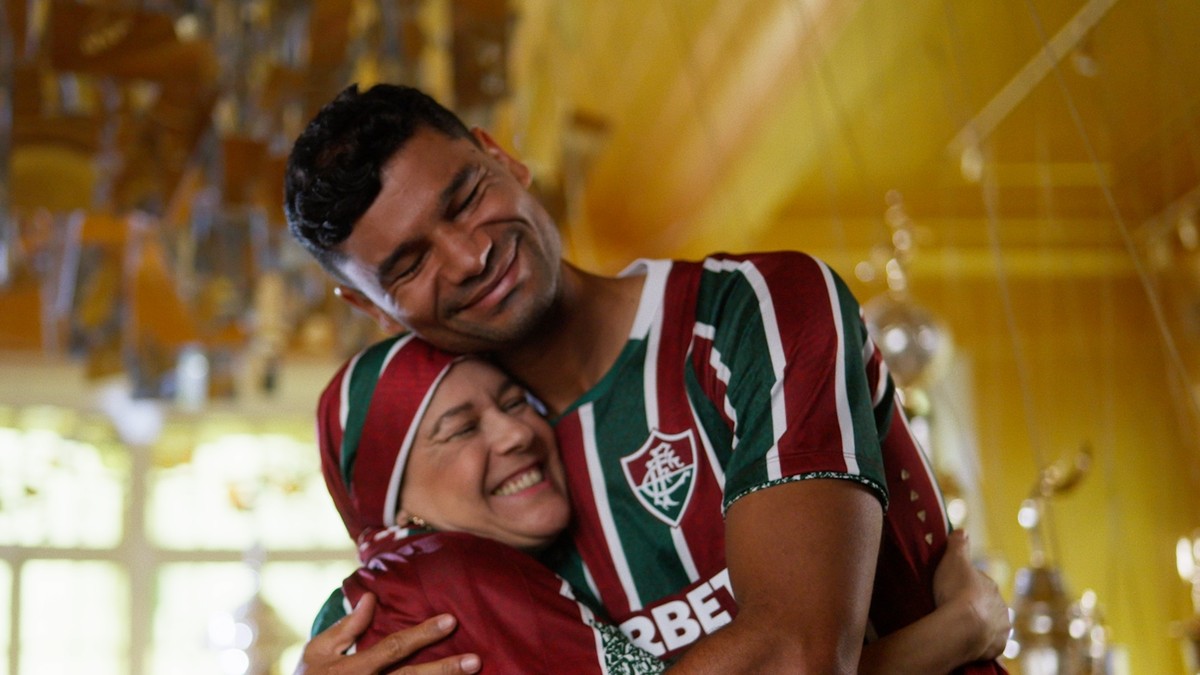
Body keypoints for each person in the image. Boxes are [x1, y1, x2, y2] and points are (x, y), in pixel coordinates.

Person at [285, 83, 1010, 674]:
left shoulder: (753, 311)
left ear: (500, 155)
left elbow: (799, 656)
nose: (468, 256)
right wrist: (954, 632)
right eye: (409, 265)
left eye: (466, 197)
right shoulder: (484, 496)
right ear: (369, 308)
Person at [310, 333, 665, 674]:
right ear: (390, 500)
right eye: (463, 429)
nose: (518, 433)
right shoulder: (443, 579)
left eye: (515, 403)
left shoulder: (365, 600)